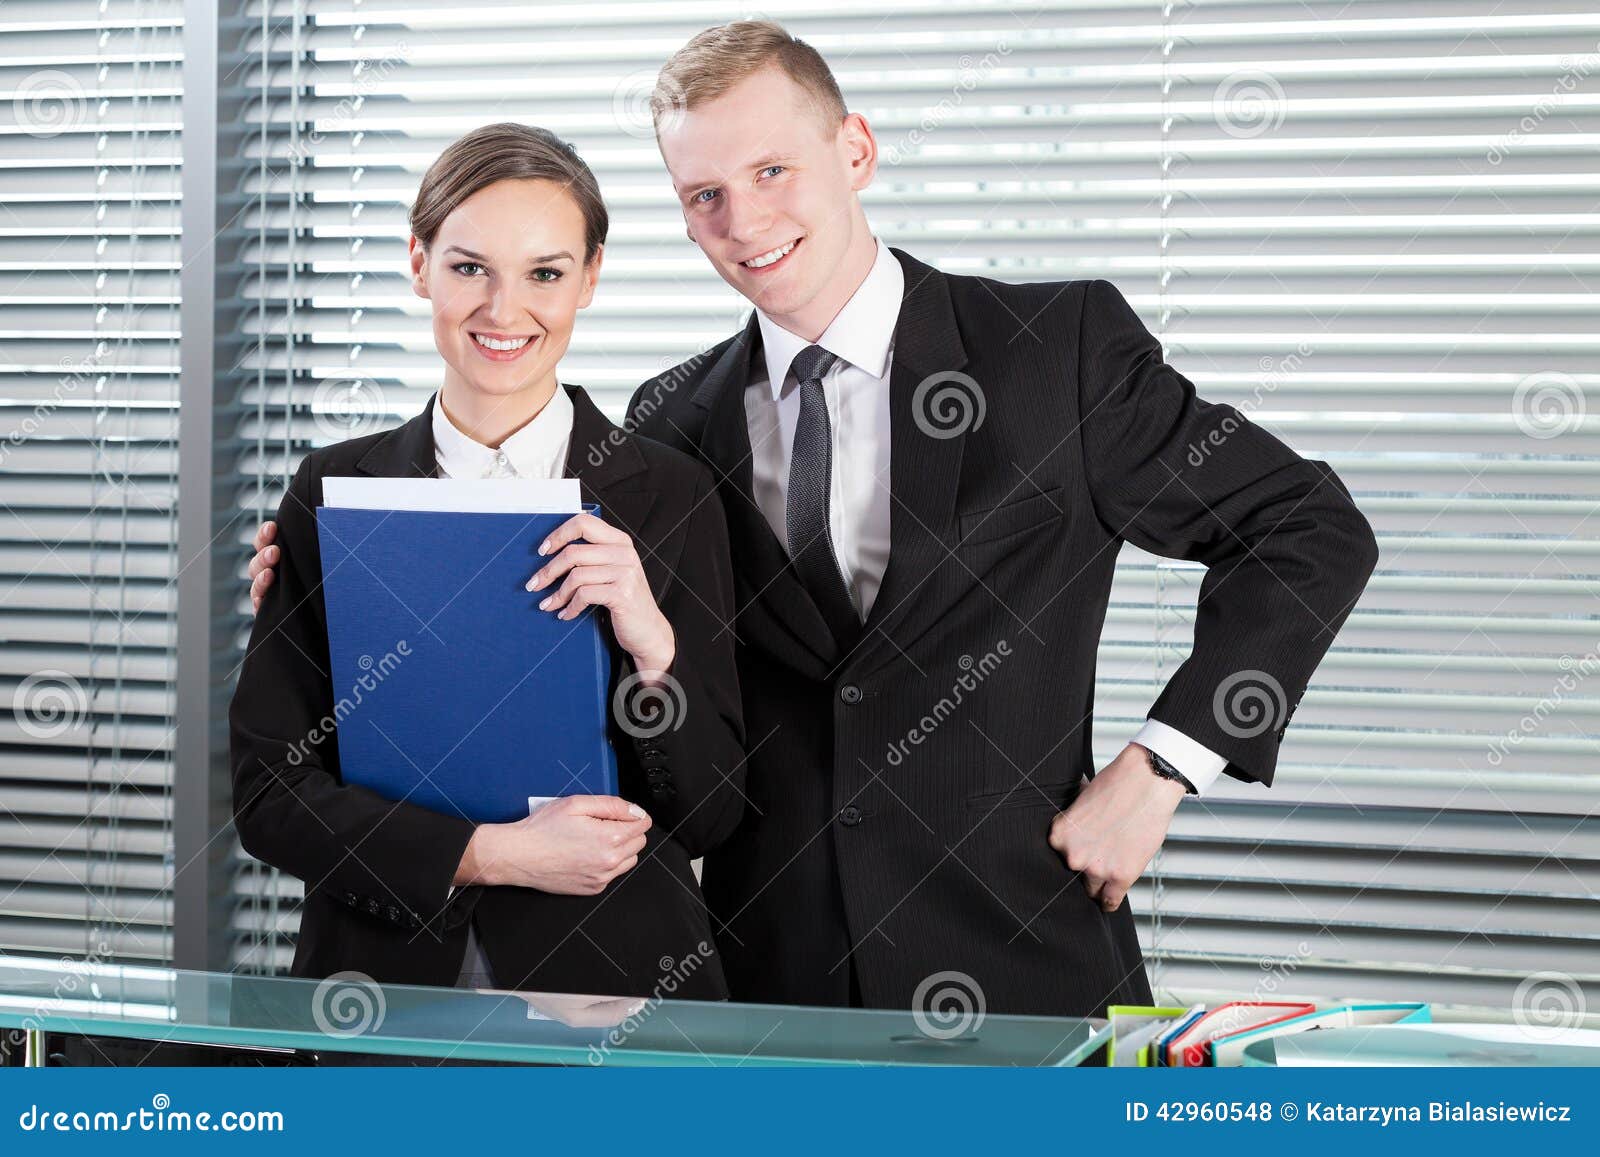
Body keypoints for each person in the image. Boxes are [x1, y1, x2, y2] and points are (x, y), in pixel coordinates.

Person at [248, 23, 1378, 1019]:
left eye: (772, 167)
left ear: (856, 150)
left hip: (1022, 961)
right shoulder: (669, 427)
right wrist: (345, 574)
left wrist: (1161, 766)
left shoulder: (1057, 352)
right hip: (763, 980)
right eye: (703, 195)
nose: (744, 219)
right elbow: (604, 672)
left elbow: (1308, 530)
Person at [230, 123, 745, 1004]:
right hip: (382, 991)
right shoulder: (331, 492)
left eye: (545, 272)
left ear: (589, 278)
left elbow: (712, 812)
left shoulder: (673, 493)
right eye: (470, 267)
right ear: (419, 263)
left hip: (618, 993)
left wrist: (655, 646)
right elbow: (269, 794)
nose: (505, 312)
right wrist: (491, 853)